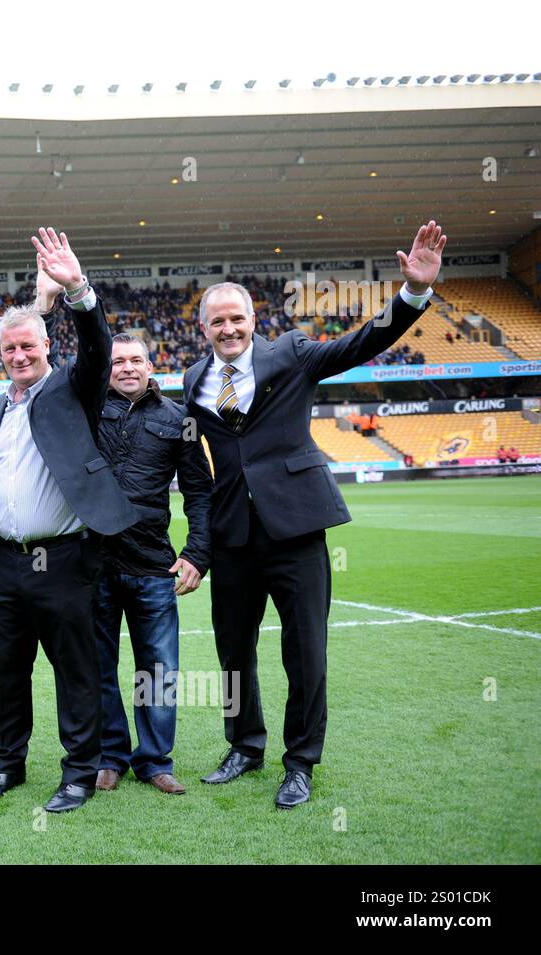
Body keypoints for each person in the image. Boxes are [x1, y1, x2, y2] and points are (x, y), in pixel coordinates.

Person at [184, 221, 446, 809]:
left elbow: (359, 345)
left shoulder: (293, 352)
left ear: (253, 321)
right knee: (232, 651)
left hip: (296, 527)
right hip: (232, 535)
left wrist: (411, 295)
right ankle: (244, 745)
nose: (228, 328)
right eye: (217, 321)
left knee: (305, 650)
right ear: (203, 330)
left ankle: (299, 761)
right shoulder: (192, 380)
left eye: (237, 318)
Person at [0, 229, 138, 814]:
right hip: (9, 564)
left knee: (76, 672)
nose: (20, 356)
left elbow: (97, 347)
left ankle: (78, 773)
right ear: (1, 352)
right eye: (10, 349)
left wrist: (77, 290)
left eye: (29, 347)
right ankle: (5, 766)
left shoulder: (71, 386)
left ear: (46, 346)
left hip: (66, 560)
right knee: (6, 674)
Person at [90, 333, 212, 796]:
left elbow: (200, 491)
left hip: (153, 566)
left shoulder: (177, 418)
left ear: (149, 364)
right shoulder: (87, 410)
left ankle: (155, 760)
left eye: (135, 360)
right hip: (94, 565)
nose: (125, 367)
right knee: (99, 666)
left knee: (158, 671)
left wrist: (196, 553)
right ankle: (110, 756)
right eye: (117, 361)